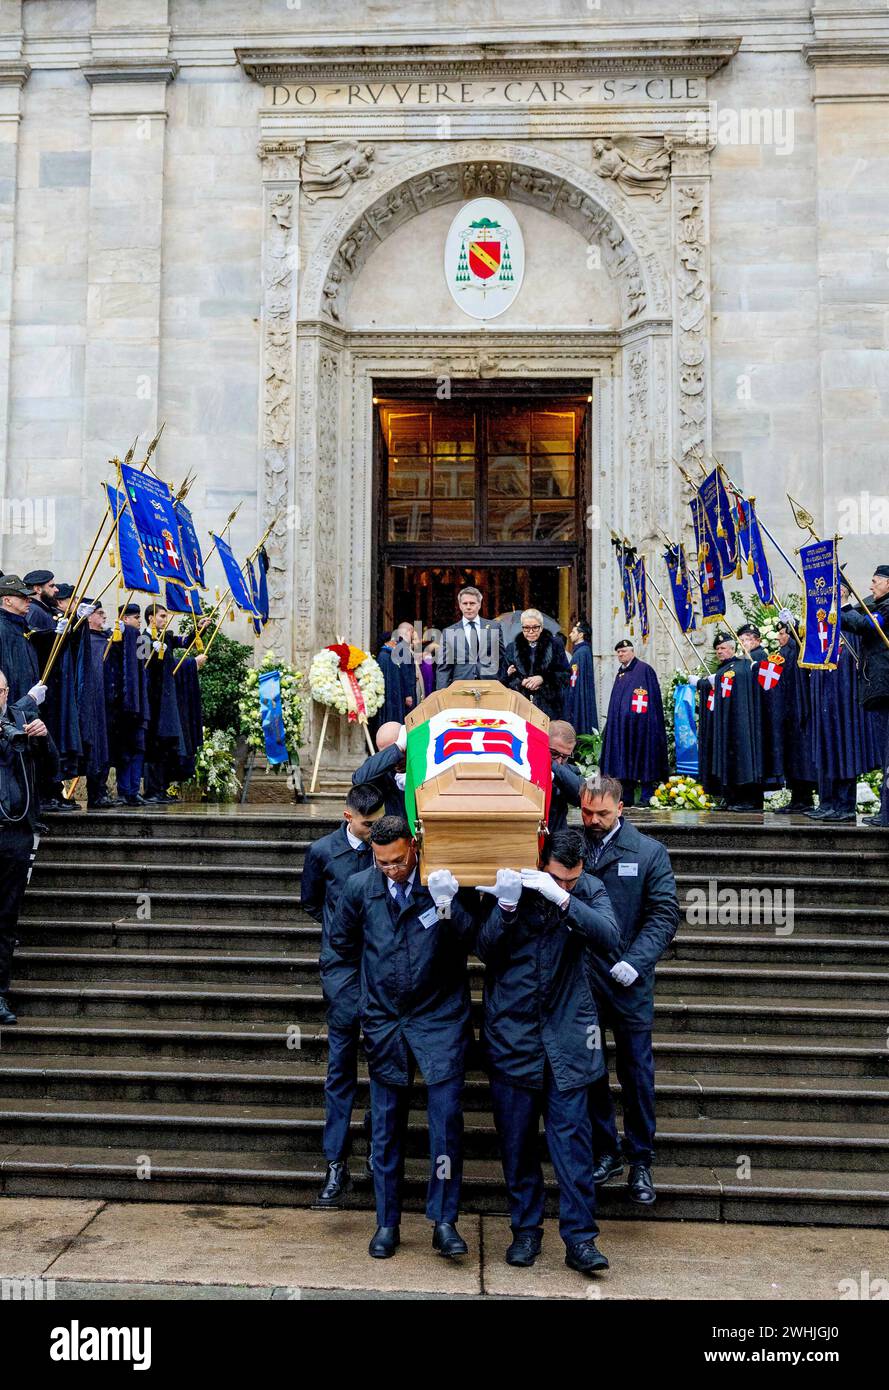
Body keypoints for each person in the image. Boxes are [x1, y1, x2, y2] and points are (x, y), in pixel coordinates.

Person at [329, 815, 477, 1260]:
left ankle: (444, 1221)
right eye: (382, 862)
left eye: (397, 861)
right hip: (385, 1022)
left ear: (413, 846)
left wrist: (449, 905)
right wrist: (357, 1009)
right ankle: (386, 1222)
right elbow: (339, 951)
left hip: (440, 1019)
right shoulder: (360, 888)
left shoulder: (441, 881)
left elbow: (473, 941)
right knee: (387, 1130)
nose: (391, 869)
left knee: (446, 1126)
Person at [475, 829, 619, 1274]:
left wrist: (562, 897)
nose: (569, 883)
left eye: (573, 879)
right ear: (541, 860)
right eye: (560, 877)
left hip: (568, 1040)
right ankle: (526, 1231)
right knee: (516, 1145)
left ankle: (580, 1239)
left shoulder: (584, 887)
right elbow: (482, 948)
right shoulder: (509, 880)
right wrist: (506, 905)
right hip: (513, 1035)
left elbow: (609, 936)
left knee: (573, 1147)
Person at [580, 773, 680, 1206]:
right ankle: (607, 1151)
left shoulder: (648, 852)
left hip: (628, 981)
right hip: (583, 980)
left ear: (620, 808)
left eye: (602, 812)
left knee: (637, 1073)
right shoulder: (574, 844)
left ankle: (641, 1159)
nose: (593, 819)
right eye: (586, 811)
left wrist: (635, 962)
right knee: (589, 1069)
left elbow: (663, 915)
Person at [300, 783, 385, 1207]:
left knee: (386, 1061)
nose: (374, 831)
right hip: (343, 969)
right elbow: (311, 902)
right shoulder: (322, 852)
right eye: (368, 824)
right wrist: (337, 934)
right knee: (341, 1067)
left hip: (382, 964)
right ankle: (335, 1161)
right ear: (348, 816)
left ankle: (378, 1144)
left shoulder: (385, 844)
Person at [0, 666, 57, 1025]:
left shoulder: (21, 718)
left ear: (6, 692)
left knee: (5, 918)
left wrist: (42, 737)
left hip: (14, 833)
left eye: (0, 690)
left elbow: (52, 771)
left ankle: (0, 995)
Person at [808, 577, 882, 822]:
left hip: (846, 699)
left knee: (845, 750)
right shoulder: (824, 624)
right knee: (827, 749)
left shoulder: (854, 620)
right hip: (826, 698)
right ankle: (827, 802)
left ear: (842, 592)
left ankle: (845, 805)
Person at [24, 569, 83, 813]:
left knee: (54, 741)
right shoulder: (35, 612)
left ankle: (54, 791)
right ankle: (48, 793)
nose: (56, 590)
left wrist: (75, 625)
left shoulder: (47, 612)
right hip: (44, 690)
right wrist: (53, 634)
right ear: (37, 589)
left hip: (56, 688)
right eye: (51, 586)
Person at [842, 564, 889, 828]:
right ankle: (886, 810)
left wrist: (845, 603)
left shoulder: (887, 609)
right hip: (879, 691)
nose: (870, 587)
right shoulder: (879, 606)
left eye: (874, 581)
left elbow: (866, 626)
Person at [698, 631, 765, 811]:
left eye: (723, 648)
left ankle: (747, 800)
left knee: (741, 759)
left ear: (732, 649)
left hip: (739, 722)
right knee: (727, 759)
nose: (719, 651)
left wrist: (713, 681)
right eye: (717, 649)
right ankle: (731, 797)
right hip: (725, 722)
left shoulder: (741, 667)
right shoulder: (724, 669)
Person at [599, 639, 668, 807]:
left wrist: (642, 721)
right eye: (618, 652)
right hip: (622, 729)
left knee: (644, 759)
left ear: (632, 652)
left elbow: (650, 700)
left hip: (642, 727)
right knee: (624, 762)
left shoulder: (644, 670)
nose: (620, 655)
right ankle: (626, 797)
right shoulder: (621, 673)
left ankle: (646, 797)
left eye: (624, 651)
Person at [104, 603, 150, 807]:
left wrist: (150, 640)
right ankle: (124, 790)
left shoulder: (140, 638)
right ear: (124, 619)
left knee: (138, 749)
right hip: (122, 706)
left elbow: (146, 661)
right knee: (125, 751)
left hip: (139, 702)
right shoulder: (116, 638)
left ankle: (133, 790)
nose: (139, 621)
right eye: (135, 617)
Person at [772, 622, 816, 814]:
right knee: (792, 757)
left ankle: (803, 798)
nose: (778, 637)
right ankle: (796, 797)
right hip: (786, 712)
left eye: (782, 633)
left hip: (798, 712)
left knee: (801, 758)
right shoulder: (783, 653)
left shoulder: (796, 650)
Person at [737, 624, 784, 796]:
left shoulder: (760, 658)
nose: (743, 644)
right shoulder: (744, 659)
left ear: (757, 640)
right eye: (740, 640)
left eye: (746, 640)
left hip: (760, 714)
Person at [76, 600, 113, 808]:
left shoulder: (107, 639)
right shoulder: (86, 640)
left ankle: (102, 789)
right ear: (88, 616)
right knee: (94, 748)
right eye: (99, 613)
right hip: (92, 703)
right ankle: (95, 791)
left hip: (107, 702)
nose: (104, 617)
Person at [435, 586, 508, 689]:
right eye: (465, 603)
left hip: (489, 686)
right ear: (460, 605)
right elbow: (444, 668)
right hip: (461, 688)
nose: (468, 607)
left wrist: (501, 683)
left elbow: (501, 658)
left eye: (472, 603)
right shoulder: (449, 632)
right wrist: (441, 693)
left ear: (479, 605)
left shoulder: (494, 627)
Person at [504, 609, 570, 719]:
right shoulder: (512, 648)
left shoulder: (555, 644)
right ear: (522, 628)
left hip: (550, 706)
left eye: (535, 627)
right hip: (522, 705)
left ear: (541, 627)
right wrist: (521, 681)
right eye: (526, 628)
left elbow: (565, 674)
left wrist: (543, 678)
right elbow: (506, 677)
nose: (530, 632)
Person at [351, 721, 407, 818]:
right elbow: (359, 780)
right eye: (386, 753)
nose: (396, 761)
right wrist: (397, 748)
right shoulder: (385, 770)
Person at [547, 719, 584, 835]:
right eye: (554, 753)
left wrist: (551, 765)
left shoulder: (566, 770)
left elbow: (585, 795)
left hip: (556, 842)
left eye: (565, 757)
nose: (559, 760)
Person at [565, 619, 599, 735]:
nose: (570, 635)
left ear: (580, 635)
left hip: (578, 694)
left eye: (573, 632)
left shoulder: (581, 653)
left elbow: (577, 679)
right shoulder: (581, 651)